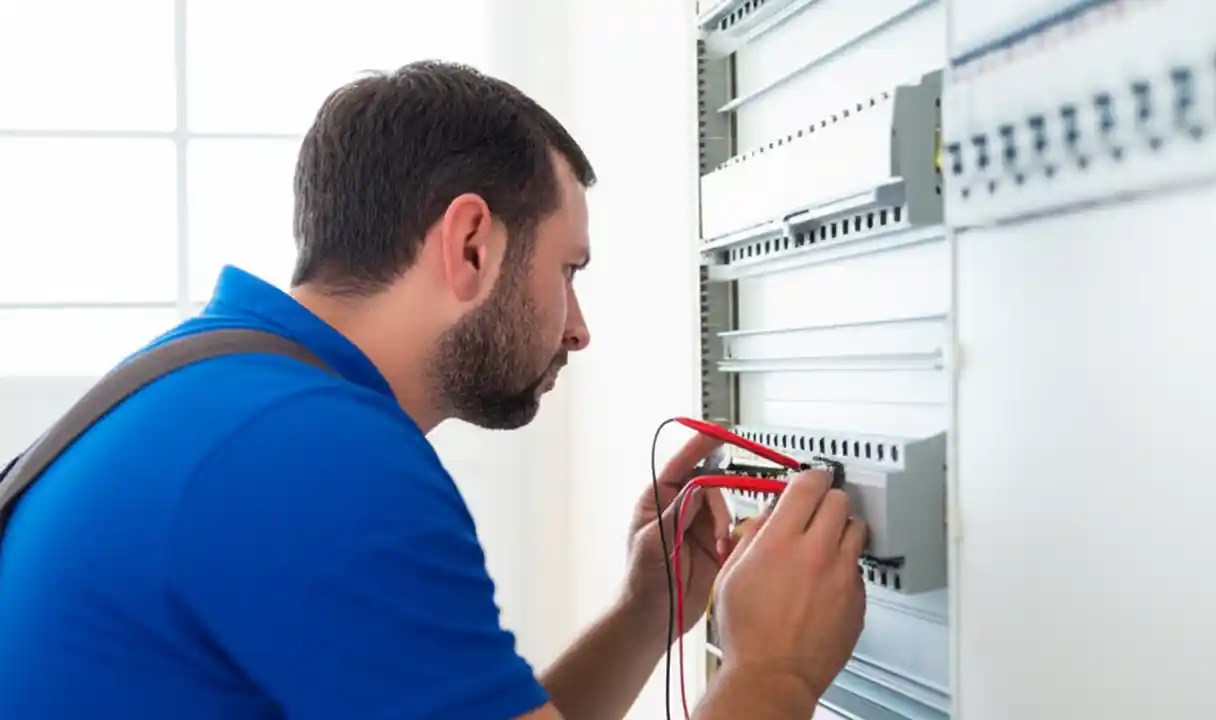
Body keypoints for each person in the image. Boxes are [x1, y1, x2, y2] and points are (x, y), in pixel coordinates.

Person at [0, 60, 869, 719]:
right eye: (568, 270)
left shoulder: (223, 398)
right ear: (471, 244)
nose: (578, 329)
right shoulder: (317, 460)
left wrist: (649, 612)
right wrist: (776, 669)